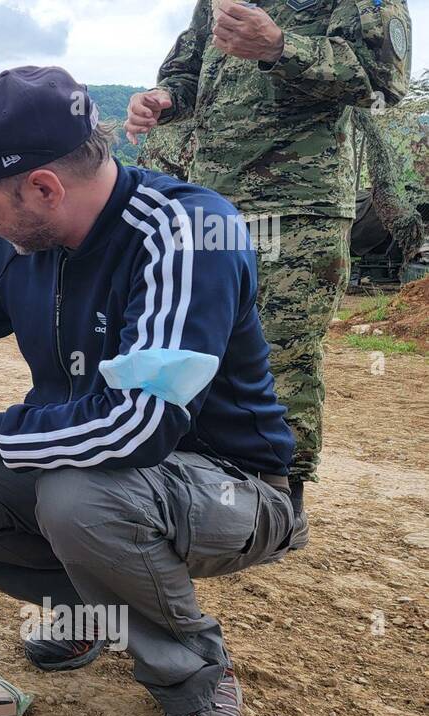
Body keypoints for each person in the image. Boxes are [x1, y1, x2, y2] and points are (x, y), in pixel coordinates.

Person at [0, 67, 305, 716]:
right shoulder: (28, 243)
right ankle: (93, 611)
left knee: (80, 497)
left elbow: (141, 425)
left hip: (229, 485)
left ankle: (191, 671)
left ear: (45, 187)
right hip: (97, 471)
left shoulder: (181, 234)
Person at [125, 0, 412, 515]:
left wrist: (282, 47)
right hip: (213, 201)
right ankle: (206, 488)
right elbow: (187, 71)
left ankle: (278, 500)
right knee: (202, 341)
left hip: (298, 203)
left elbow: (382, 82)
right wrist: (163, 99)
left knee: (282, 351)